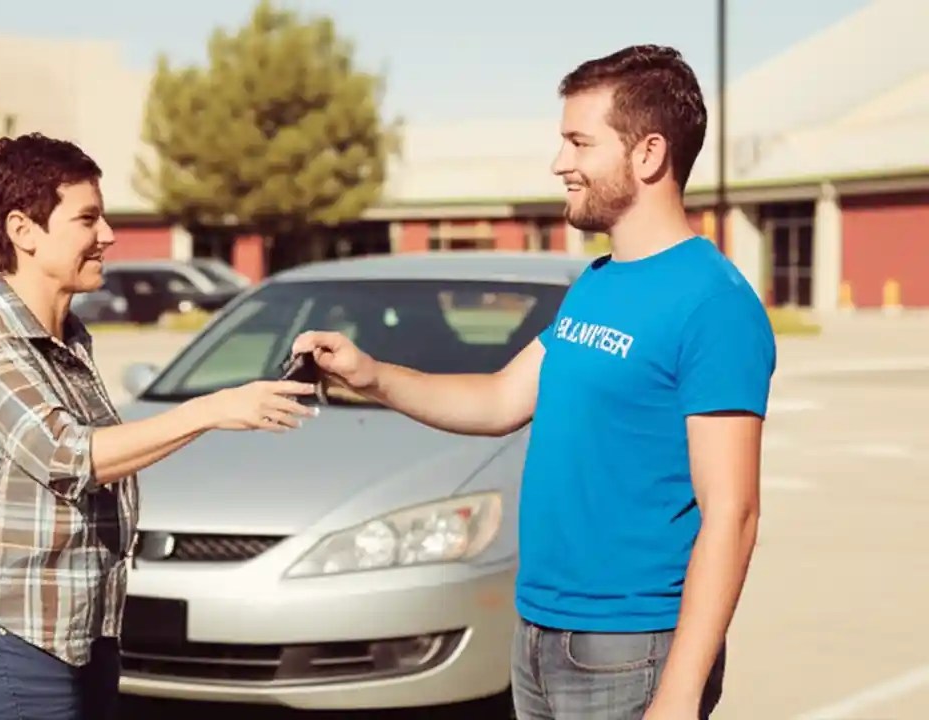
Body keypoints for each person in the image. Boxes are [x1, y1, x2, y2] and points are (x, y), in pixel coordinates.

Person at [291, 45, 775, 720]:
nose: (560, 164)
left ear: (649, 154)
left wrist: (681, 693)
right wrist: (371, 375)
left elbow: (734, 514)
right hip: (540, 630)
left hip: (633, 645)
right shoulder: (597, 284)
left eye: (579, 141)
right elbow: (498, 399)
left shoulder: (713, 304)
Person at [0, 132, 317, 720]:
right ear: (24, 231)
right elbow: (67, 456)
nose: (107, 236)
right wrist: (210, 409)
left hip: (83, 637)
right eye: (87, 219)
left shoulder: (66, 341)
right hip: (12, 640)